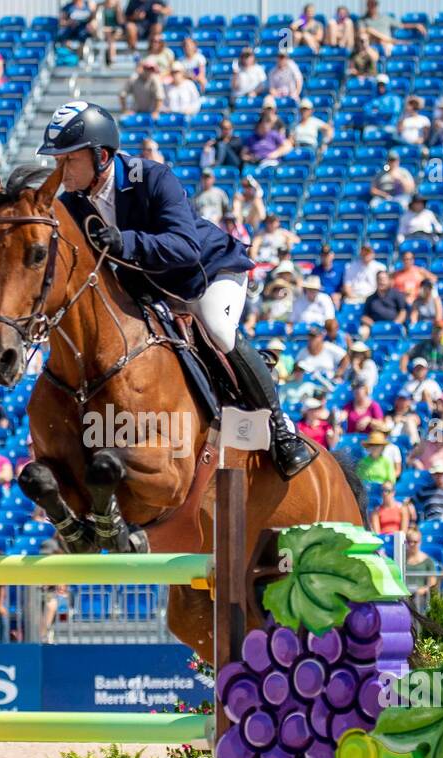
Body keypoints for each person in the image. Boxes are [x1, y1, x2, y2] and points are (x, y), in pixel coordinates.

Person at [34, 101, 313, 478]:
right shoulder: (73, 205)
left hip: (207, 275)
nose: (59, 171)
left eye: (67, 161)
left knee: (215, 327)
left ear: (100, 156)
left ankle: (281, 432)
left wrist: (124, 243)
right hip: (154, 289)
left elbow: (184, 247)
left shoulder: (151, 177)